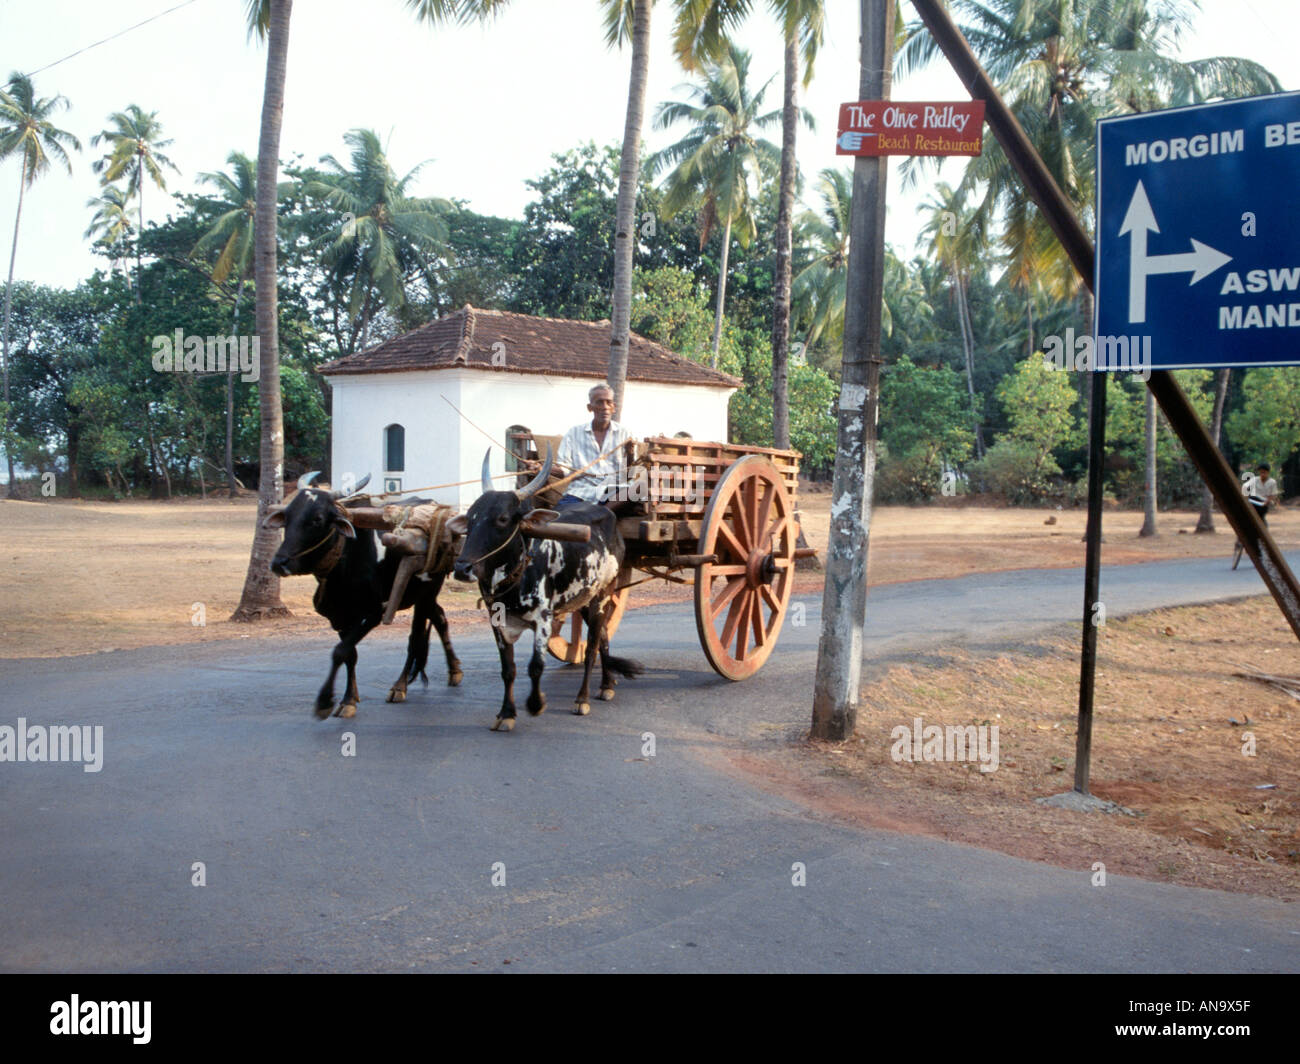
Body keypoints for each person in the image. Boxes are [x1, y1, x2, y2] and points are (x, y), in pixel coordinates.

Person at [552, 384, 632, 511]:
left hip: (614, 492)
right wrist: (541, 468)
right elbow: (564, 468)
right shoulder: (573, 433)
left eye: (609, 402)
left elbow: (632, 471)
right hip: (580, 492)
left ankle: (602, 513)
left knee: (635, 489)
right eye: (599, 402)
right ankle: (600, 515)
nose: (605, 407)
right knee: (559, 516)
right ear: (590, 408)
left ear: (614, 407)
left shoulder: (625, 434)